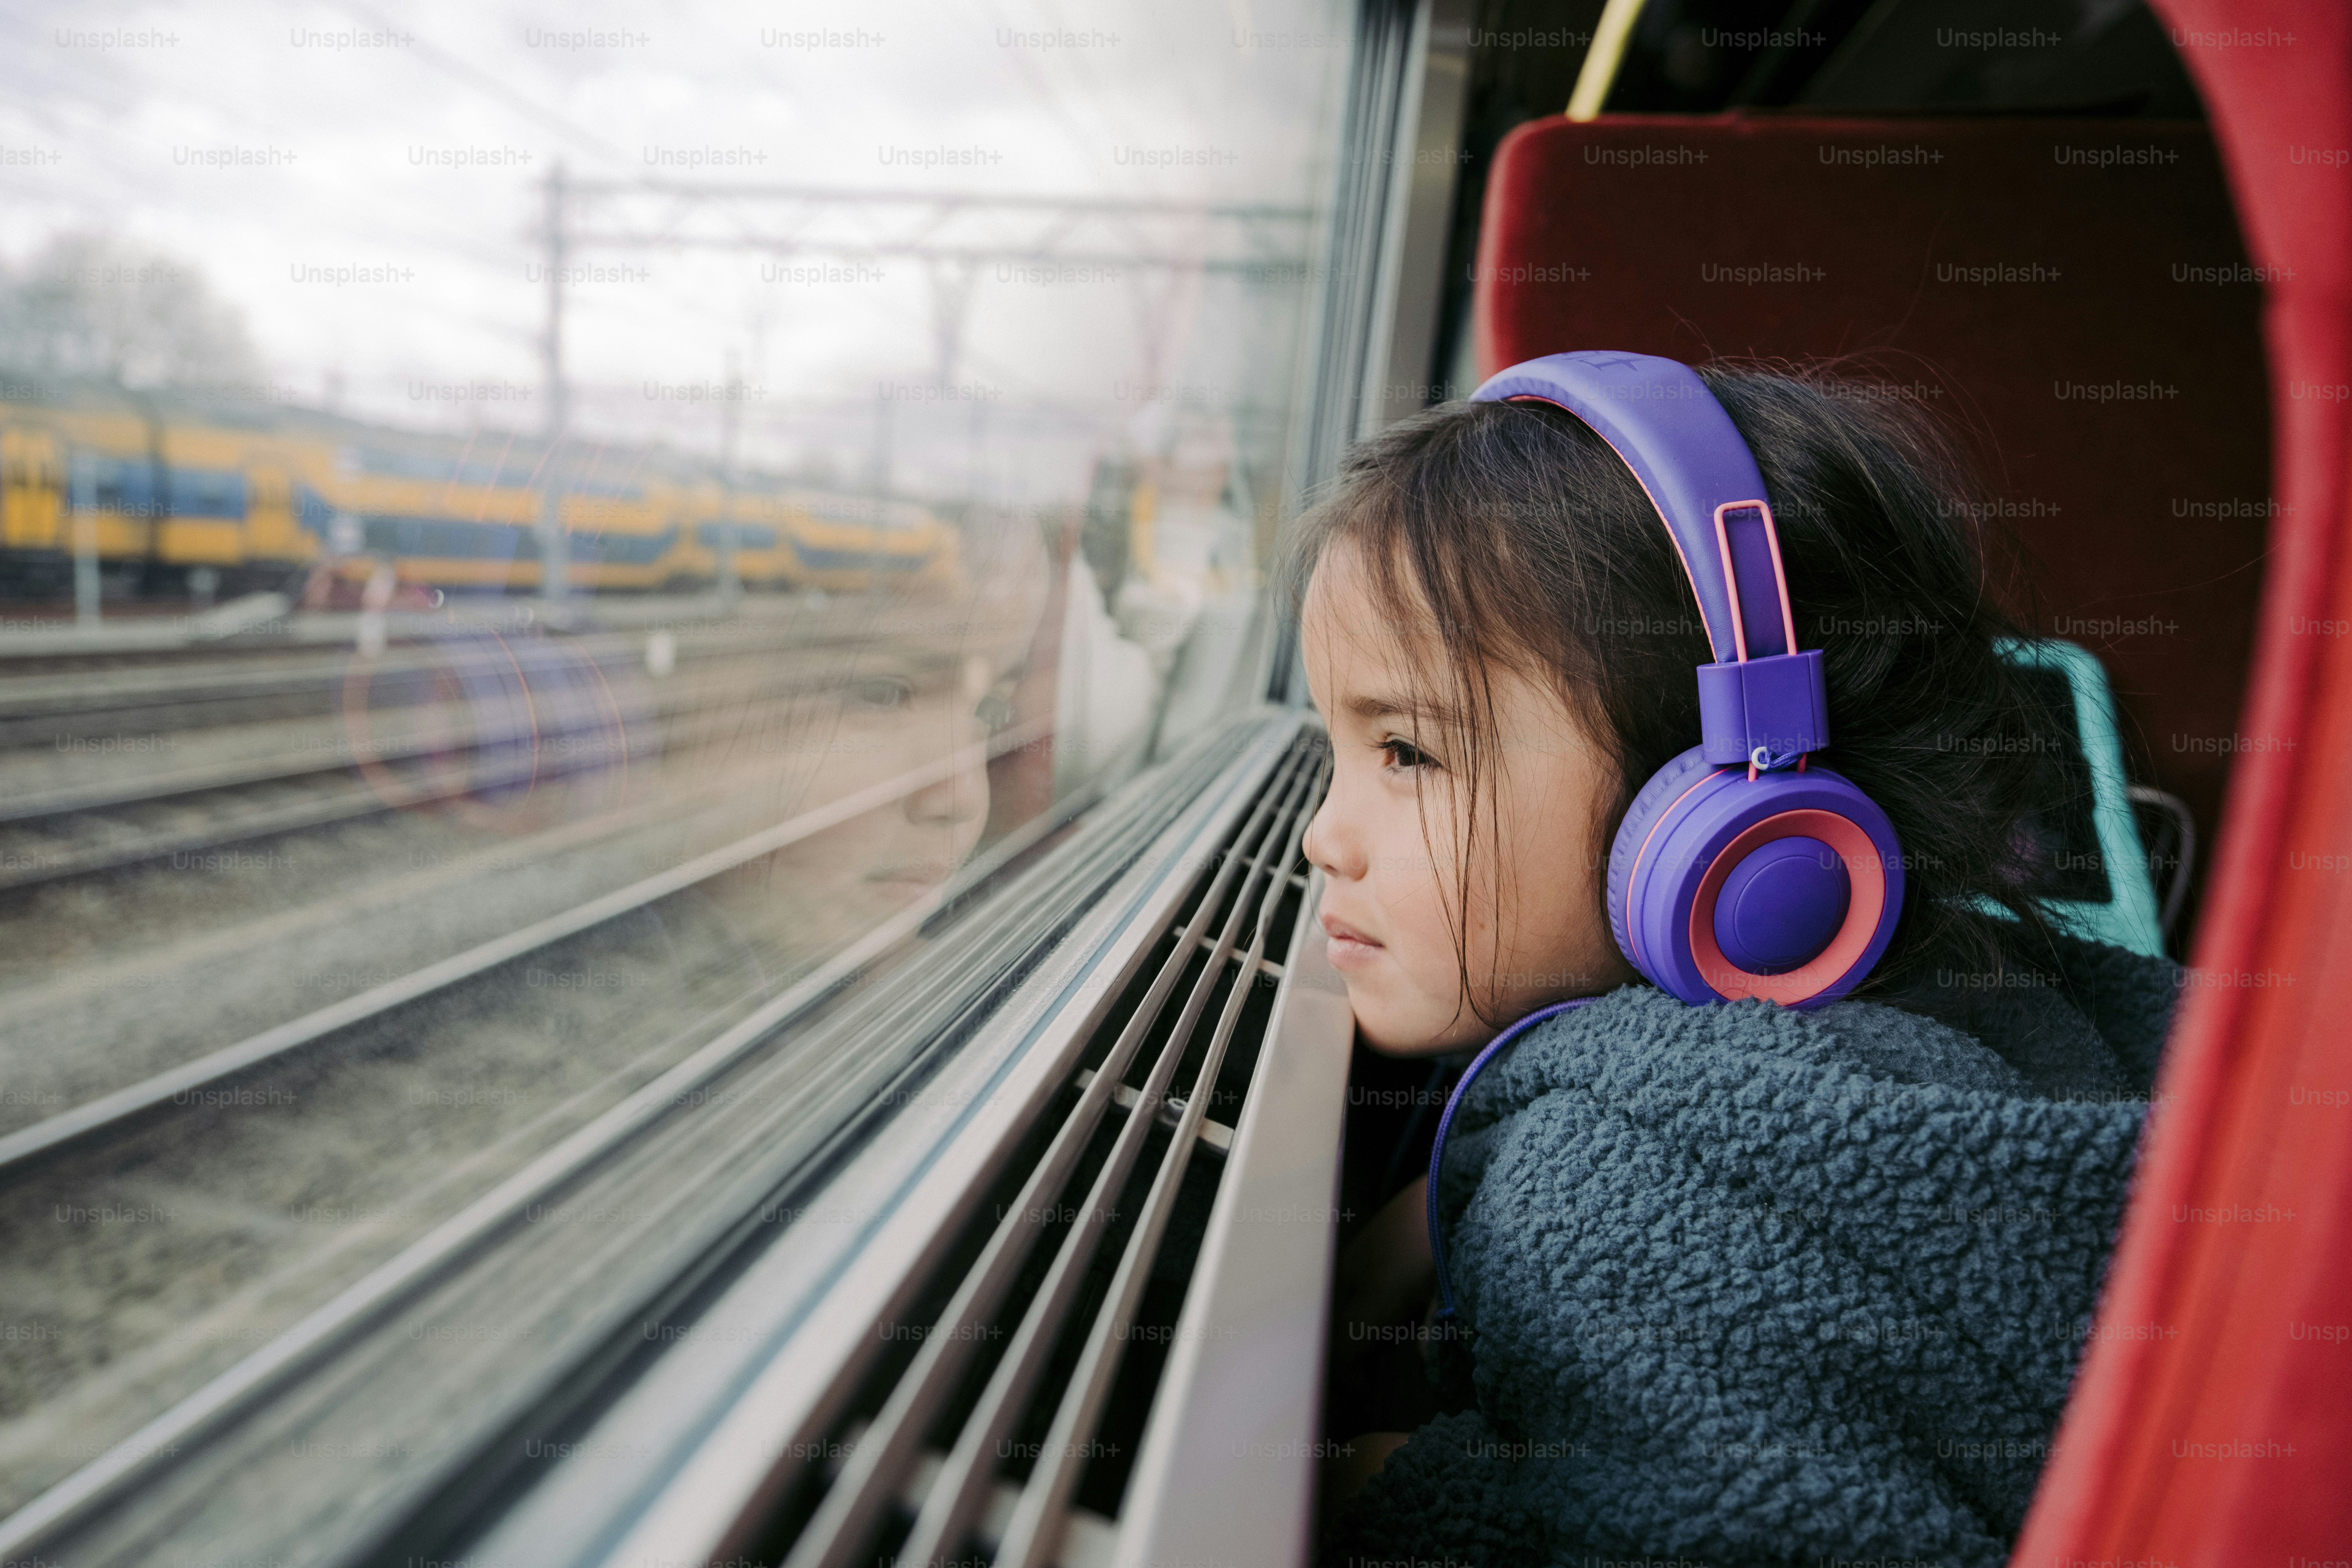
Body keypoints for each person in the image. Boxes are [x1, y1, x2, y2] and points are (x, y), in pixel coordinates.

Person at [1290, 354, 2179, 1567]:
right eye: (1333, 748)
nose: (1320, 836)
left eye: (1407, 753)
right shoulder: (1956, 989)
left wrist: (1371, 1492)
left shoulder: (1616, 1211)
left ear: (1728, 820)